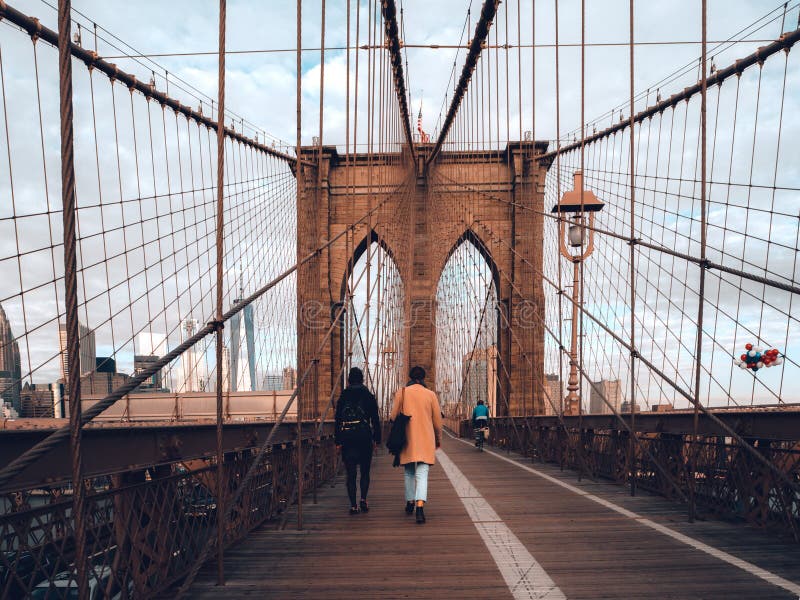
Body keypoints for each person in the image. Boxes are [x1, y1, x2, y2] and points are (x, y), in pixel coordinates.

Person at [390, 365, 442, 524]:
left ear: (410, 377)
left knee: (409, 472)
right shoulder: (431, 394)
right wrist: (438, 439)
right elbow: (437, 421)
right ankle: (420, 507)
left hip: (407, 439)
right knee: (422, 474)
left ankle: (410, 502)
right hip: (426, 439)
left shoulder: (402, 392)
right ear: (424, 378)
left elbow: (393, 416)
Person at [335, 367, 381, 515]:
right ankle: (363, 500)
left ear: (348, 380)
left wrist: (338, 441)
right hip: (364, 437)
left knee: (351, 473)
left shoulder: (343, 396)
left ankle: (353, 505)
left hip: (347, 438)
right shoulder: (368, 396)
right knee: (365, 472)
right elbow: (375, 420)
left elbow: (337, 420)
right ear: (362, 380)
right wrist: (376, 439)